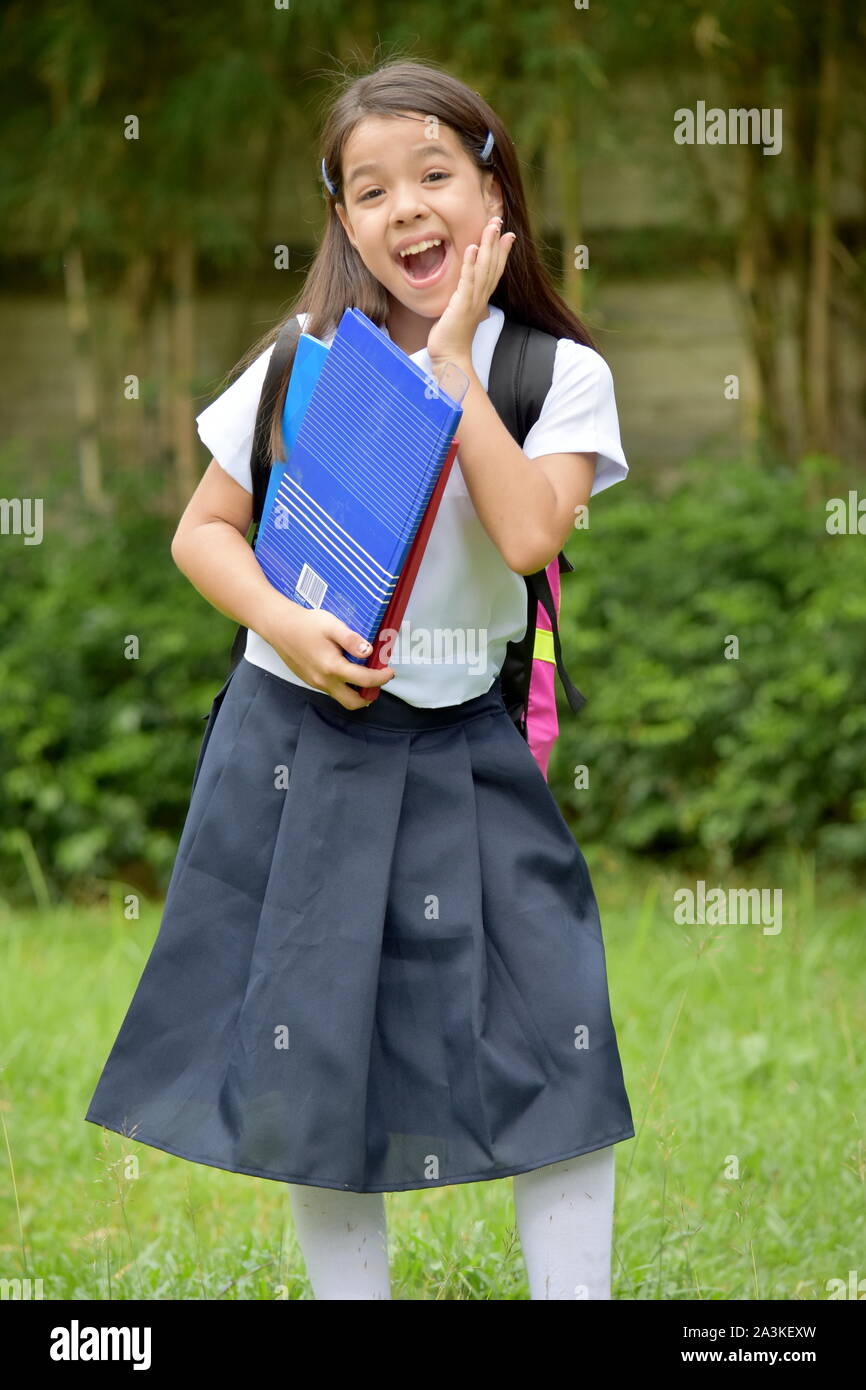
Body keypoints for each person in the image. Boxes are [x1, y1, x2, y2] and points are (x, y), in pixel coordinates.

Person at [85, 59, 635, 1300]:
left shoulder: (552, 374)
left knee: (562, 1039)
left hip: (464, 741)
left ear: (492, 191)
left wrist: (448, 365)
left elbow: (528, 537)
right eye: (369, 189)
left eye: (433, 174)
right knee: (312, 1051)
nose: (404, 209)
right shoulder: (303, 362)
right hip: (299, 735)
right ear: (341, 220)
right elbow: (201, 534)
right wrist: (292, 623)